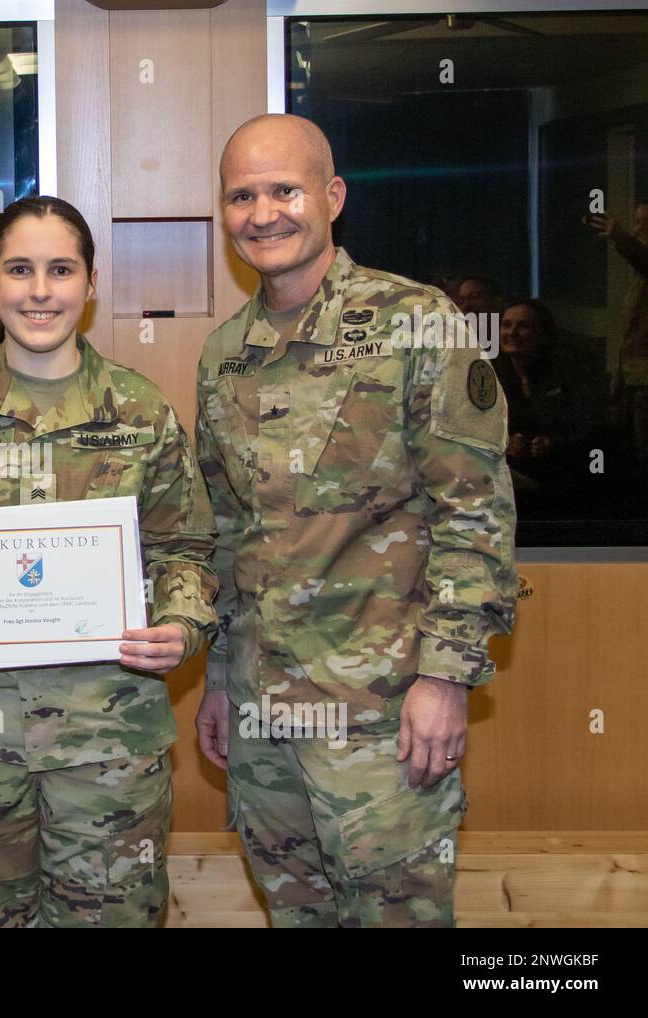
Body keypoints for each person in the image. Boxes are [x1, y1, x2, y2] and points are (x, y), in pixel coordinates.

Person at [193, 114, 517, 927]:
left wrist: (446, 677)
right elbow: (226, 533)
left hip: (384, 711)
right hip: (264, 711)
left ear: (332, 197)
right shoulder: (224, 354)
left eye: (285, 190)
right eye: (241, 196)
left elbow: (474, 511)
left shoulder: (417, 323)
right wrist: (220, 681)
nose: (263, 214)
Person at [0, 196, 218, 927]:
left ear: (90, 284)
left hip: (108, 740)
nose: (39, 291)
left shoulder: (140, 411)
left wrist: (181, 624)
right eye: (19, 269)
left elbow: (183, 546)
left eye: (61, 270)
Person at [494, 297, 601, 512]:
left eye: (523, 326)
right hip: (510, 481)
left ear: (542, 332)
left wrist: (555, 444)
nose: (512, 333)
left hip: (565, 478)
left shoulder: (568, 371)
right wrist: (505, 443)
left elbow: (594, 430)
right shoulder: (491, 373)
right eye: (506, 325)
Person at [587, 204, 648, 466]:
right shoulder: (638, 280)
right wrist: (618, 376)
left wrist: (621, 238)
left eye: (646, 223)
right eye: (637, 222)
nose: (639, 230)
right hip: (632, 377)